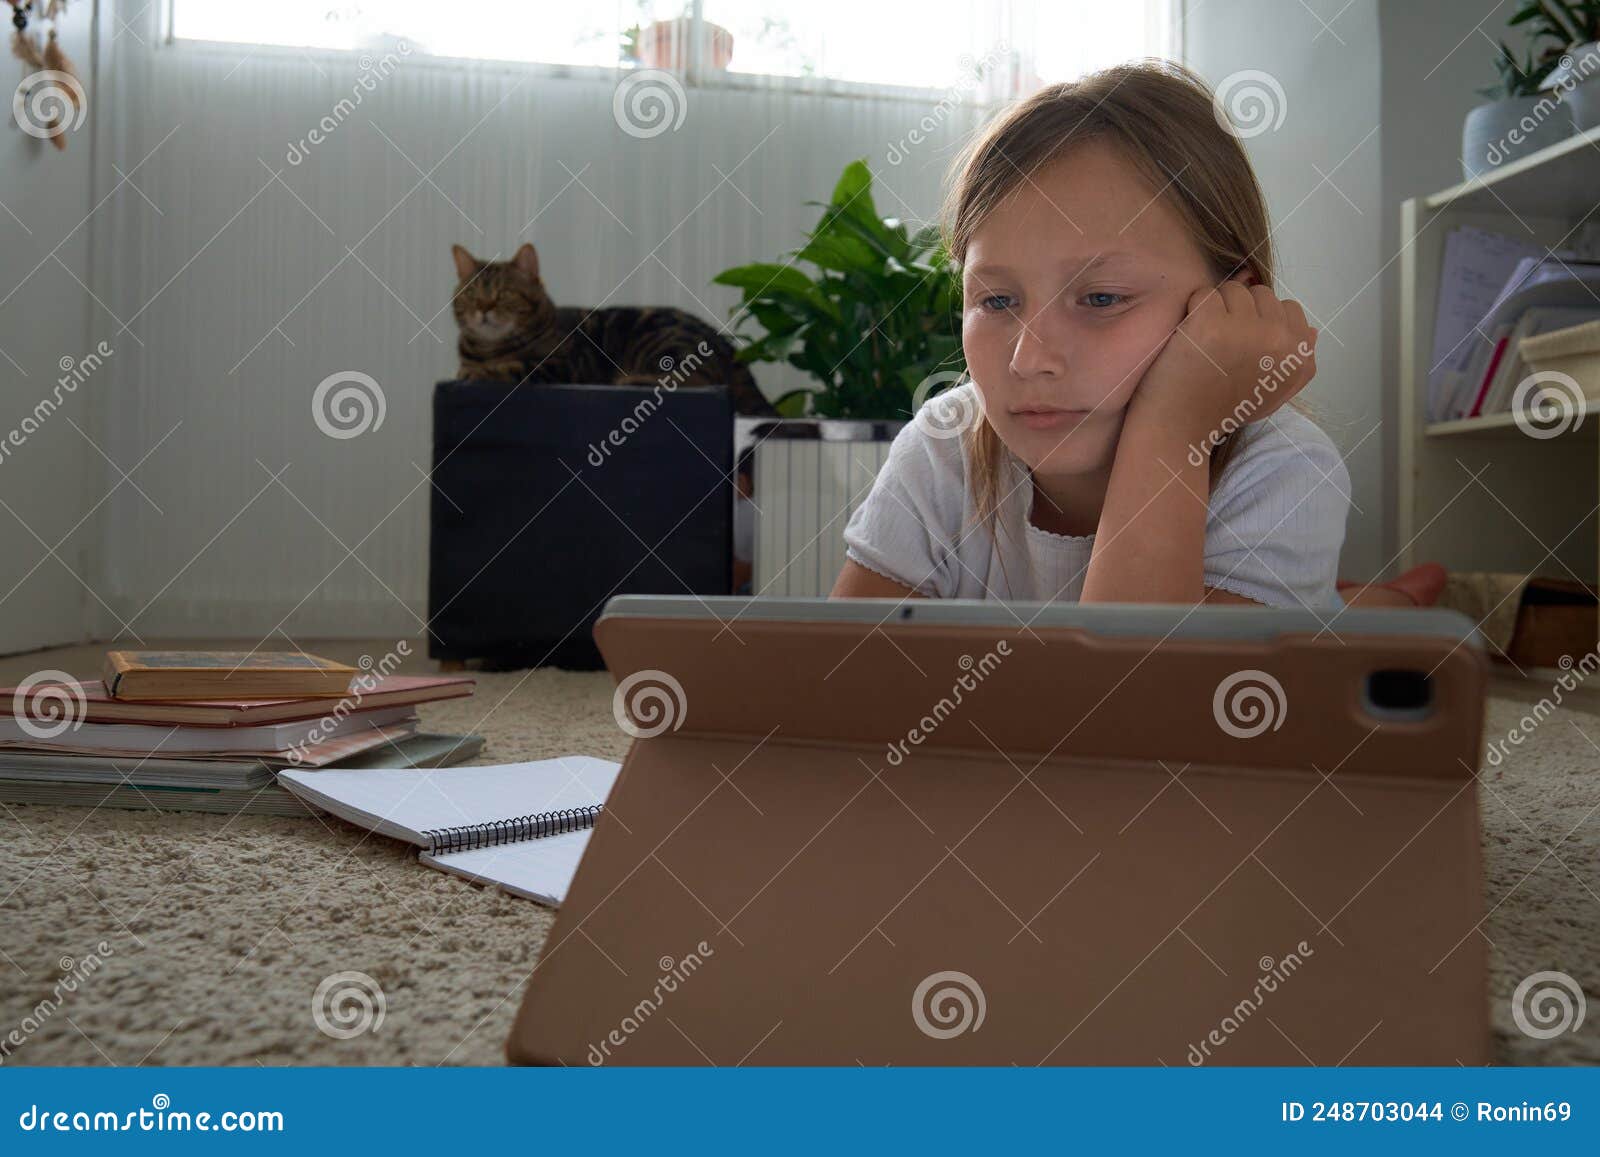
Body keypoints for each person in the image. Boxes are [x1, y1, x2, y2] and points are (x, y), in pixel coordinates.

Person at [830, 60, 1439, 612]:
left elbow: (1140, 717)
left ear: (1232, 305)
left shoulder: (1280, 466)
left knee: (1360, 639)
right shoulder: (944, 449)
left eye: (1101, 298)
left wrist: (1172, 434)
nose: (1029, 357)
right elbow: (841, 685)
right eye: (997, 300)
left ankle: (1386, 602)